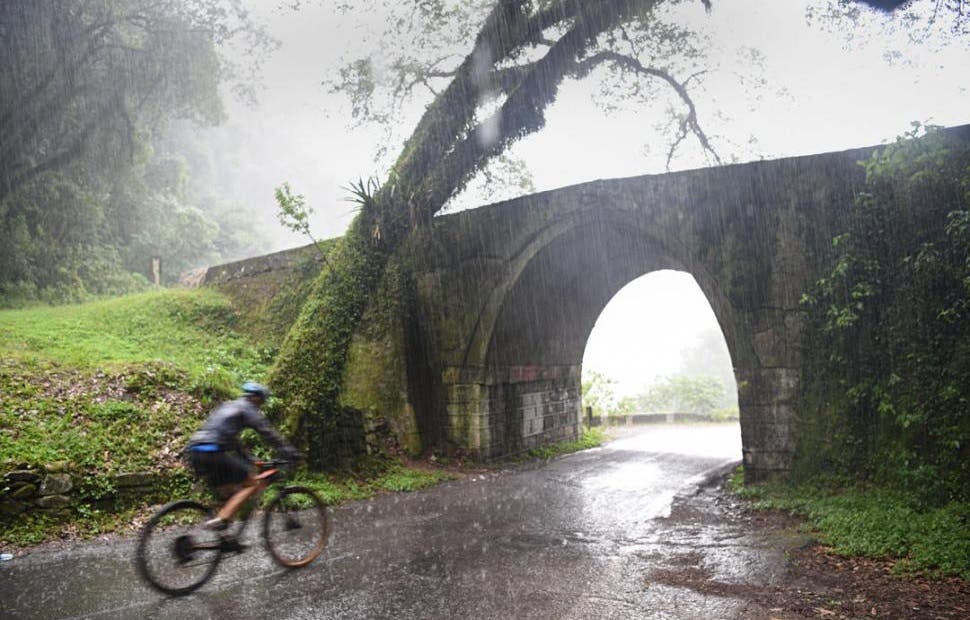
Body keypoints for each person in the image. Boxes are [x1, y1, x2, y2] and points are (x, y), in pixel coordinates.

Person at [186, 381, 301, 530]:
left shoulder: (227, 406)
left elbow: (233, 441)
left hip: (195, 451)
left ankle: (223, 538)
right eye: (261, 402)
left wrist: (251, 460)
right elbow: (268, 433)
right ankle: (222, 520)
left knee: (229, 492)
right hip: (212, 451)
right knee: (251, 483)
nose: (260, 406)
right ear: (256, 398)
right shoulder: (248, 408)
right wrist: (290, 452)